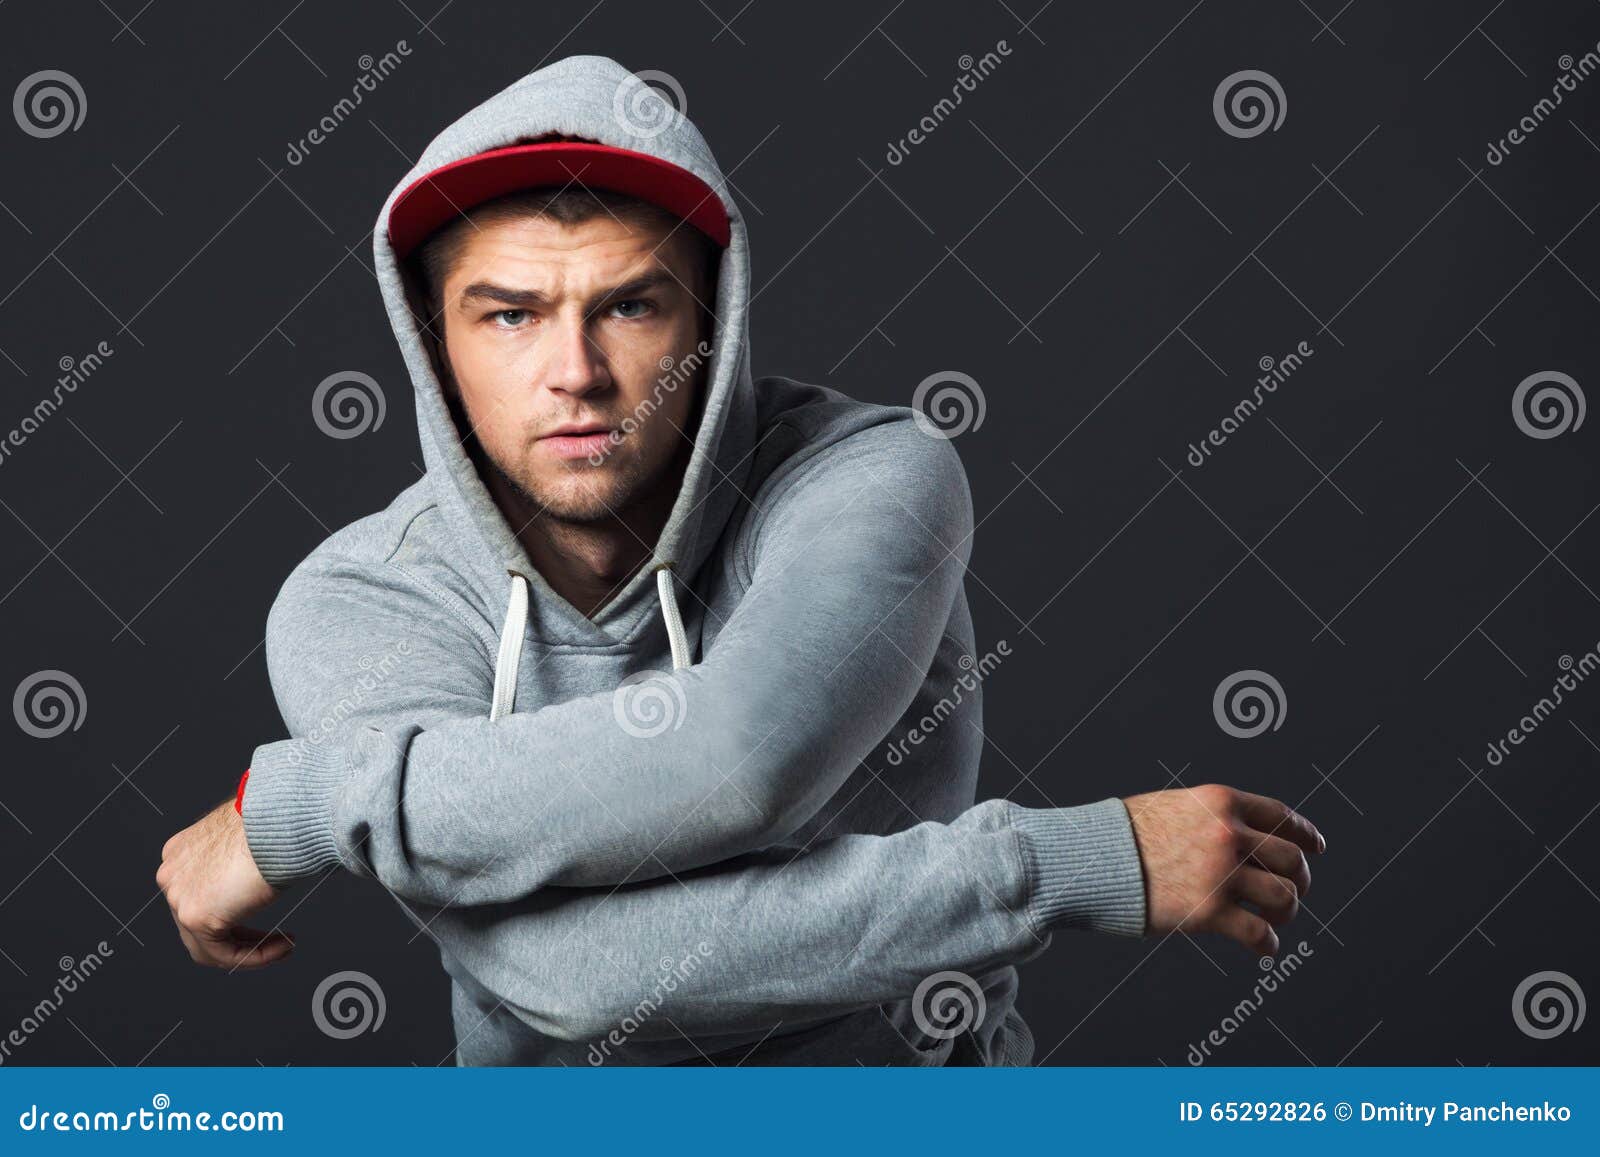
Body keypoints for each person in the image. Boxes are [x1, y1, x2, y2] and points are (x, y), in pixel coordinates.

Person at [156, 54, 1325, 1066]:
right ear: (429, 336)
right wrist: (1066, 864)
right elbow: (567, 974)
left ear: (713, 320)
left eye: (629, 306)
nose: (574, 371)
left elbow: (739, 752)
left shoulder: (869, 480)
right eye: (508, 314)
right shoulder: (360, 600)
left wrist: (307, 807)